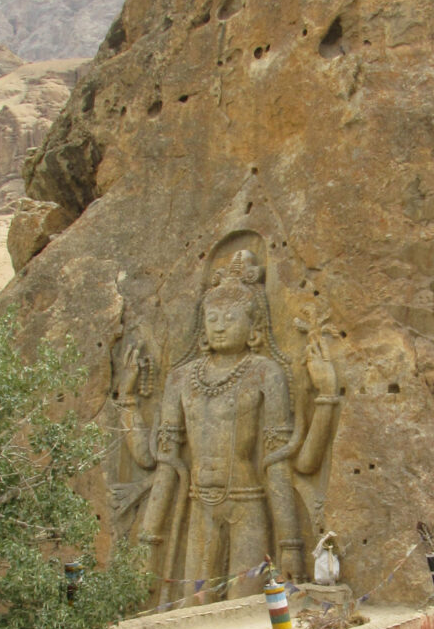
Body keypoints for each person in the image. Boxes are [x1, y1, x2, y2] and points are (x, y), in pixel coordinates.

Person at [131, 251, 339, 602]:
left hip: (249, 504)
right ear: (202, 327)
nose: (220, 325)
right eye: (212, 318)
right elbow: (168, 463)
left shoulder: (264, 373)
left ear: (254, 329)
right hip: (199, 506)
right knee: (195, 606)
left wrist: (289, 545)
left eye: (231, 317)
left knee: (247, 602)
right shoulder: (181, 379)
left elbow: (278, 462)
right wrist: (146, 545)